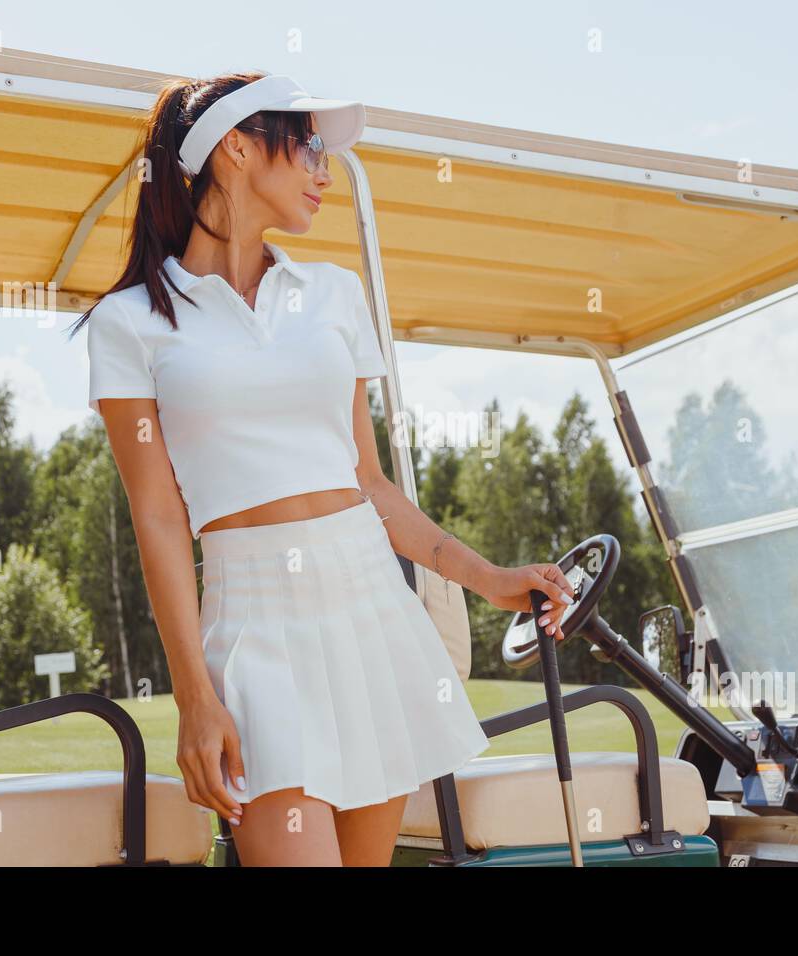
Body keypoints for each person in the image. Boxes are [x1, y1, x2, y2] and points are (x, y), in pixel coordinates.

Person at [70, 71, 574, 866]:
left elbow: (367, 484)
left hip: (368, 607)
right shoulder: (129, 324)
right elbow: (158, 515)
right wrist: (196, 697)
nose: (324, 172)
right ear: (235, 147)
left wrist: (488, 577)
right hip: (251, 629)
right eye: (306, 147)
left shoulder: (335, 295)